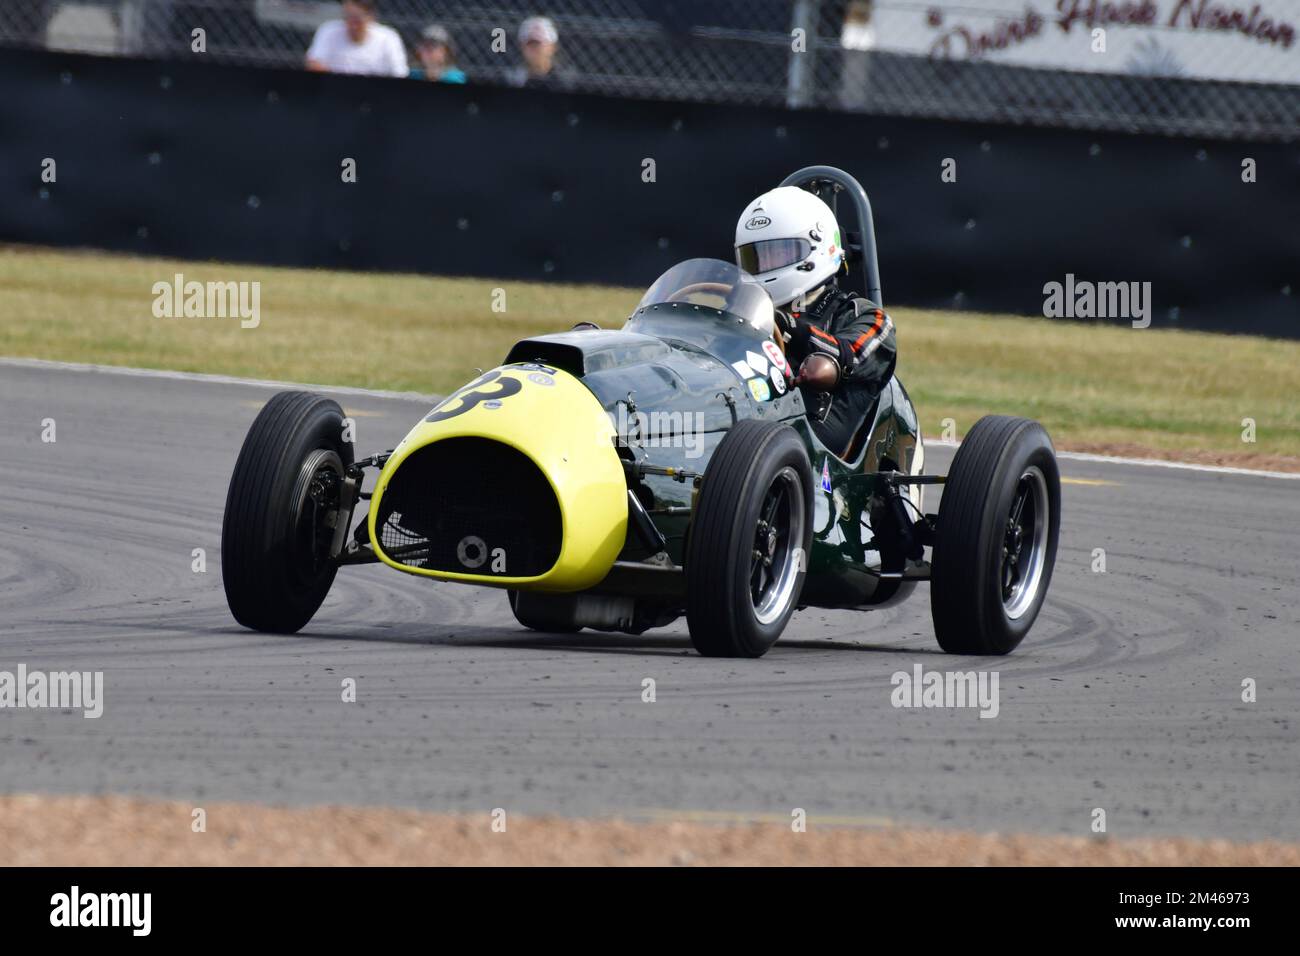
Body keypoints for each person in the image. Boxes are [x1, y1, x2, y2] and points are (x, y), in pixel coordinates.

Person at [734, 185, 897, 459]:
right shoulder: (741, 311)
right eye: (756, 258)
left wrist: (788, 329)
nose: (765, 266)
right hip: (735, 432)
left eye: (778, 254)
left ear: (817, 248)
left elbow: (851, 356)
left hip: (811, 460)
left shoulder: (866, 317)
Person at [305, 0, 407, 78]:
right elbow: (314, 63)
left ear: (371, 17)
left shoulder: (388, 37)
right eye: (348, 17)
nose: (352, 25)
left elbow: (399, 73)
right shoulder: (328, 30)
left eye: (357, 19)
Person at [508, 16, 571, 89]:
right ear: (522, 47)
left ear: (553, 47)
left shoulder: (567, 82)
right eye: (530, 44)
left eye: (538, 44)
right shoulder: (511, 79)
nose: (534, 49)